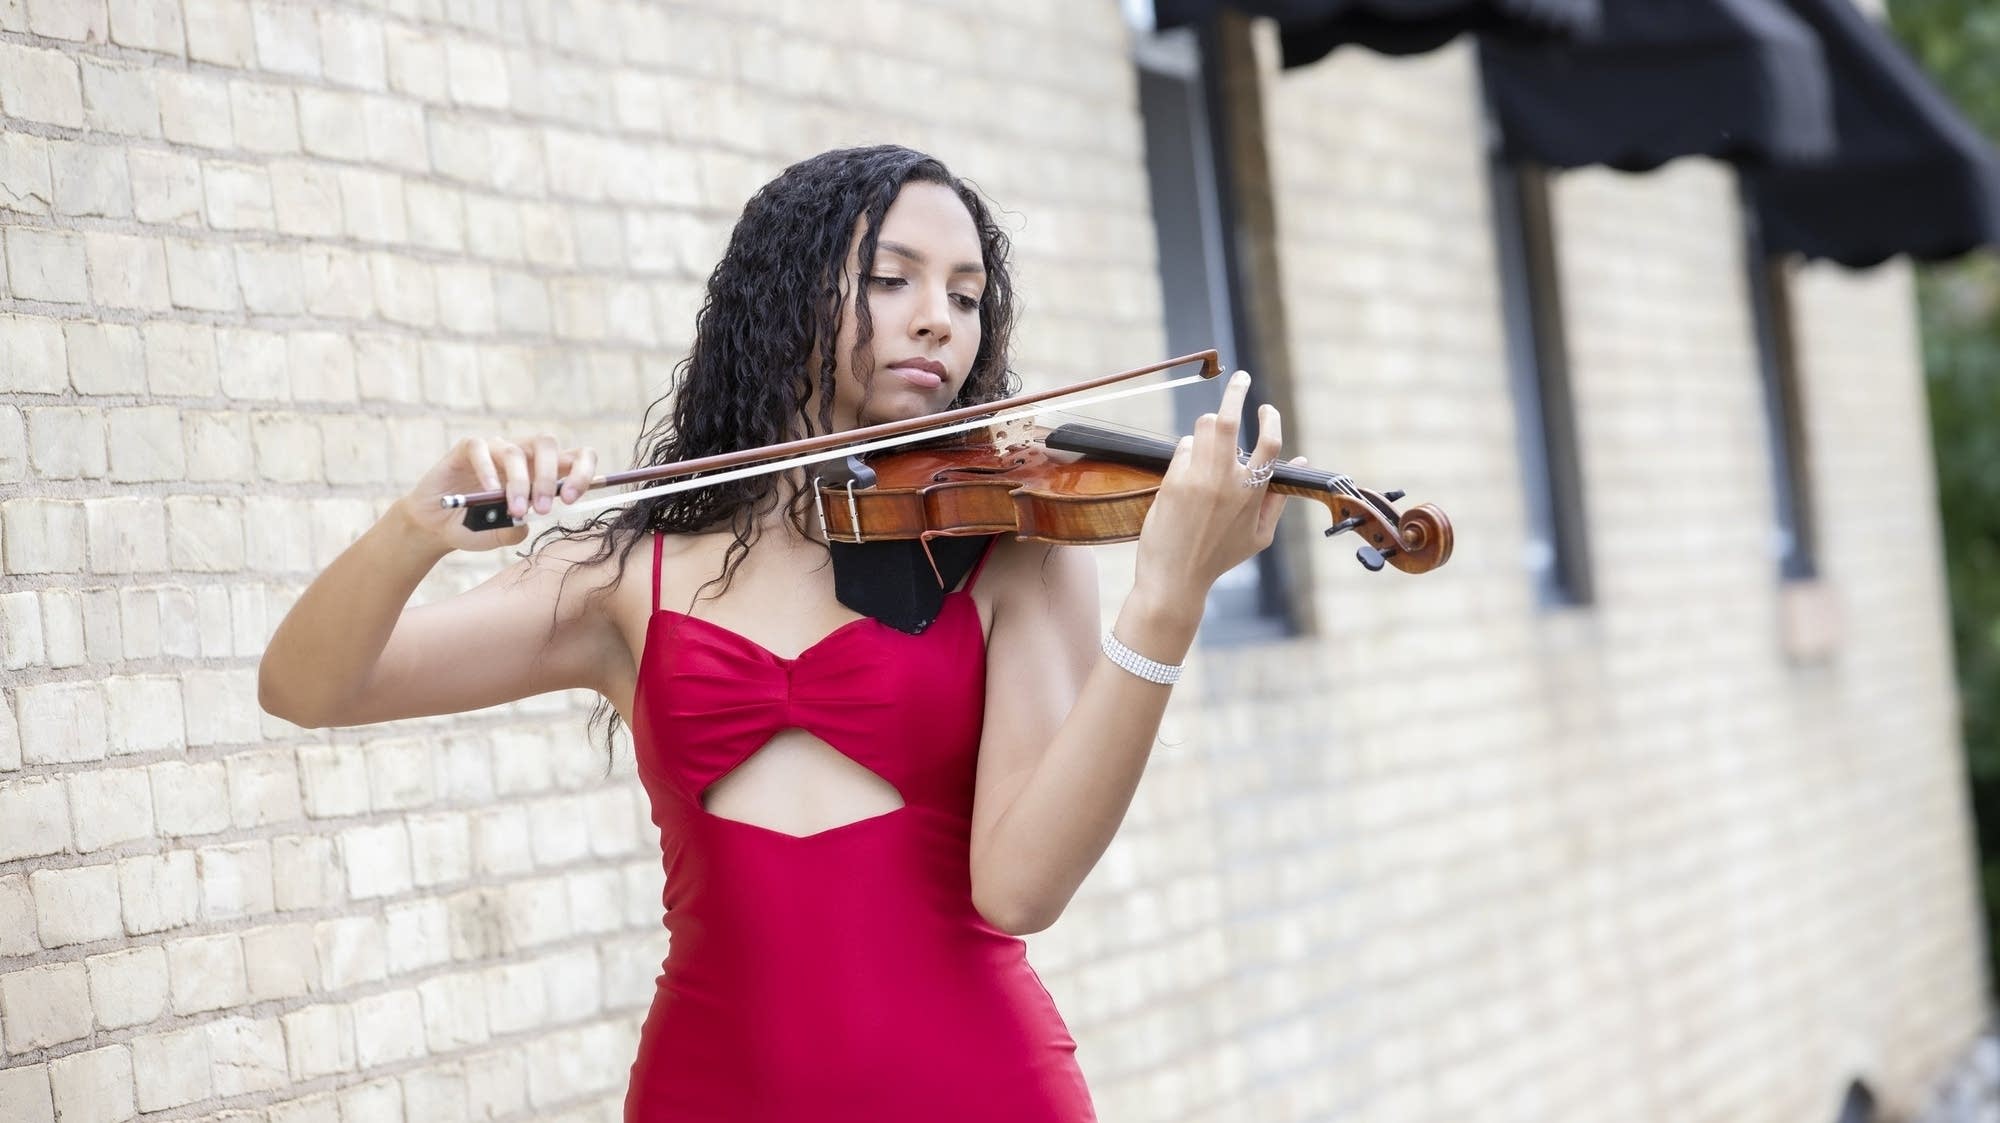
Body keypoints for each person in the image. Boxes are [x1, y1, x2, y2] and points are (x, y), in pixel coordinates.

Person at [259, 145, 1294, 1122]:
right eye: (893, 279)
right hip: (709, 1089)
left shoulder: (1004, 547)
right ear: (788, 290)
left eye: (966, 294)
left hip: (975, 1085)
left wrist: (1166, 601)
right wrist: (413, 532)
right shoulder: (627, 573)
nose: (939, 319)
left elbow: (1021, 890)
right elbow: (312, 688)